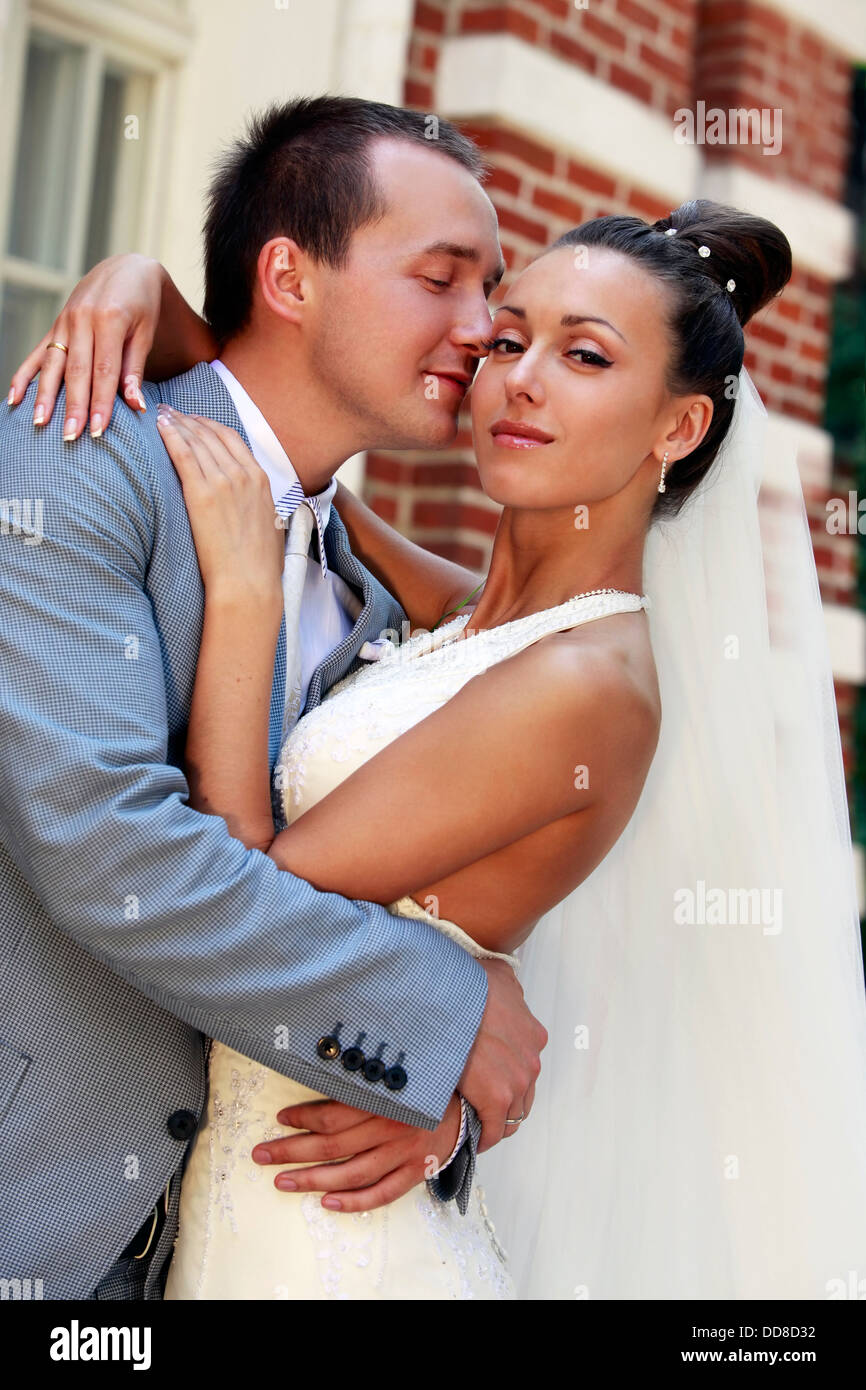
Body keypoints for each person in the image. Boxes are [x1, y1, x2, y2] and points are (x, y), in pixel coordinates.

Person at [13, 174, 866, 1298]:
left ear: (679, 424)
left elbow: (247, 885)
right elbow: (291, 474)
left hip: (337, 1247)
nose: (516, 380)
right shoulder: (467, 611)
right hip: (247, 1196)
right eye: (508, 338)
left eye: (586, 357)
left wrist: (246, 599)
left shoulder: (582, 682)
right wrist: (138, 287)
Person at [0, 97, 548, 1303]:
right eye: (440, 279)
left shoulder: (378, 595)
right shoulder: (73, 459)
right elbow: (103, 845)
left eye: (490, 289)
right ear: (291, 278)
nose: (481, 330)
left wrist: (432, 1113)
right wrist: (439, 1014)